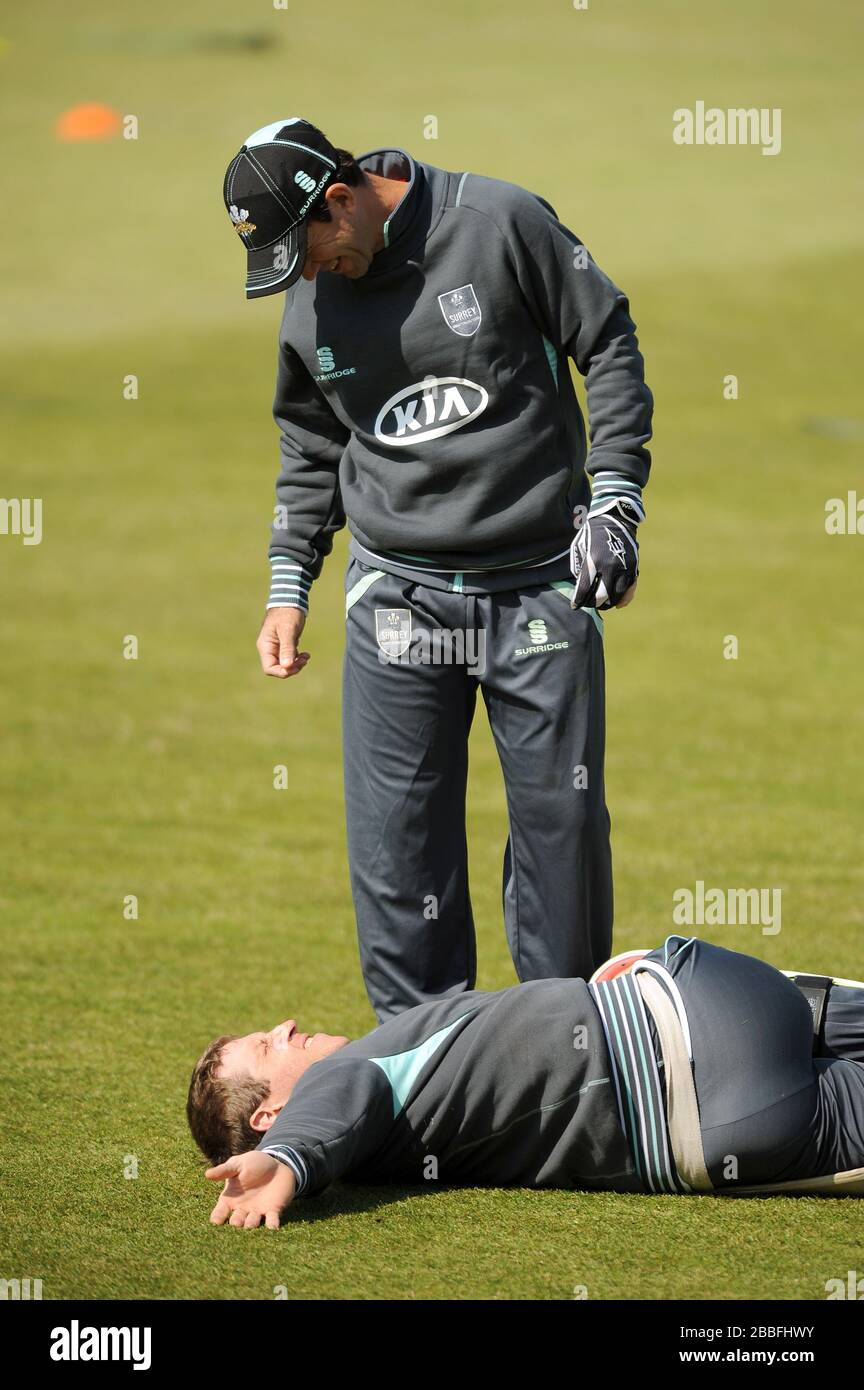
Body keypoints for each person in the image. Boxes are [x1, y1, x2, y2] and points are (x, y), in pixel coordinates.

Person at [221, 118, 654, 1021]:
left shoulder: (498, 224)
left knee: (559, 836)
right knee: (397, 849)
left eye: (306, 249)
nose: (304, 274)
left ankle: (563, 1052)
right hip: (398, 596)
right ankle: (427, 1068)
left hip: (538, 579)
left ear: (341, 199)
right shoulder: (312, 302)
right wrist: (286, 584)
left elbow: (607, 339)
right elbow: (310, 449)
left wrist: (615, 501)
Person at [187, 937, 864, 1229]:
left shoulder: (392, 1132)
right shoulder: (343, 1076)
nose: (285, 1025)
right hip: (703, 1005)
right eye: (264, 1046)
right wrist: (287, 1159)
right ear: (267, 1113)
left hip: (719, 1127)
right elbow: (334, 1106)